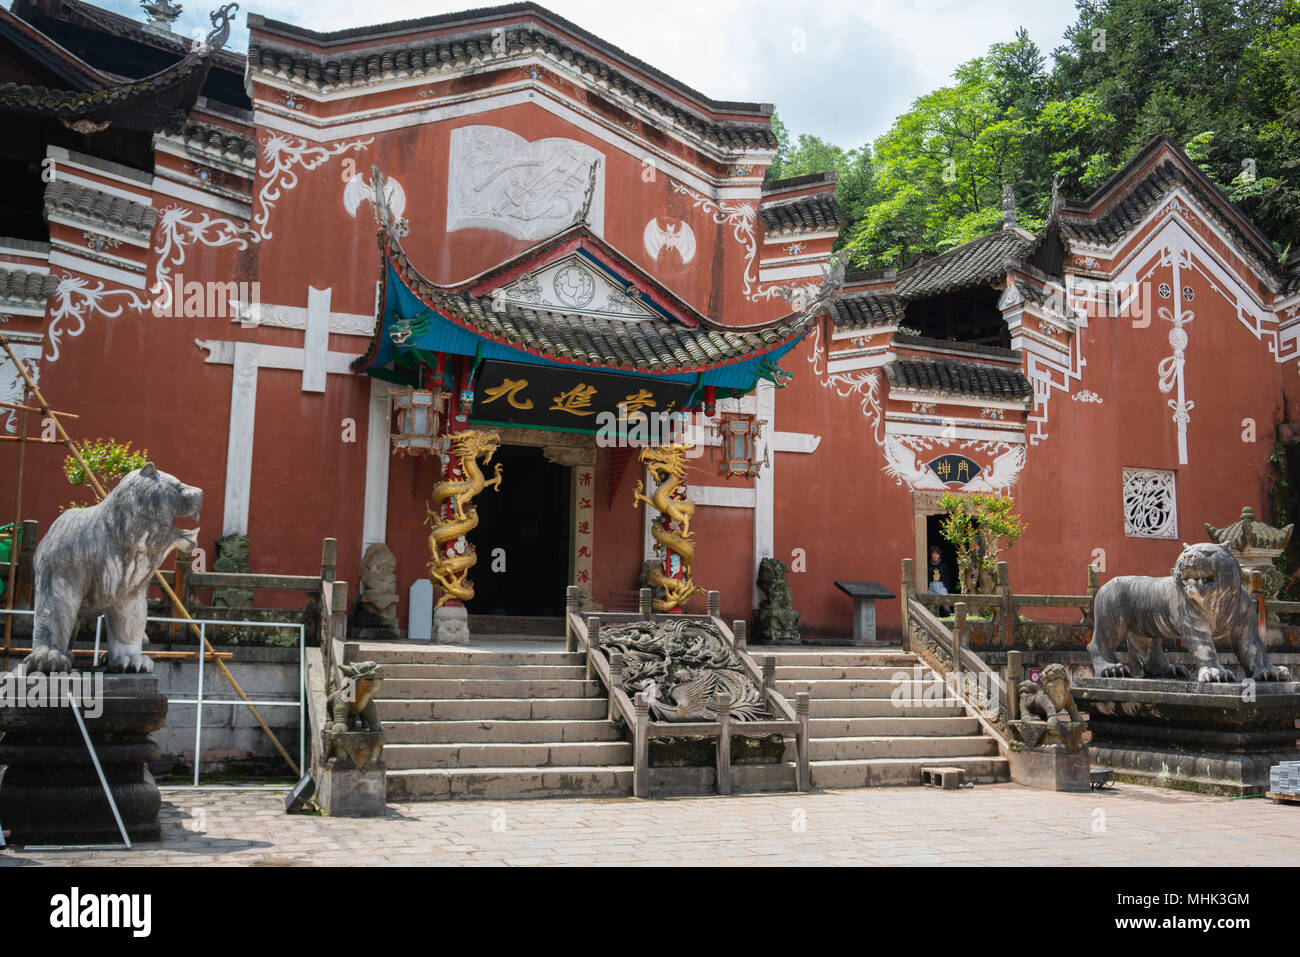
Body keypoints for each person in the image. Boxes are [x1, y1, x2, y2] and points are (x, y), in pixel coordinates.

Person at [926, 545, 952, 617]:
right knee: (932, 606)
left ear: (939, 555)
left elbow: (946, 578)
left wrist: (947, 588)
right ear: (931, 554)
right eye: (934, 553)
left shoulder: (943, 566)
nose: (935, 555)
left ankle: (950, 618)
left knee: (946, 605)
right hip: (931, 586)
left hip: (941, 586)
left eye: (937, 554)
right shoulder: (928, 566)